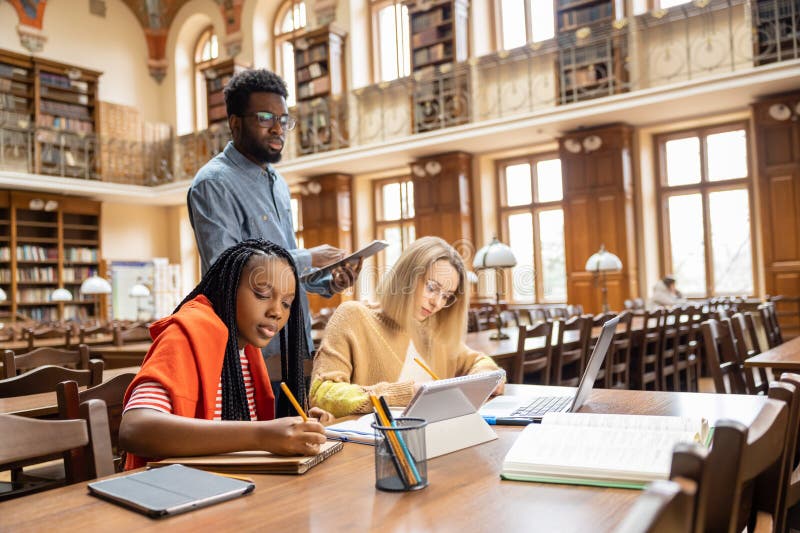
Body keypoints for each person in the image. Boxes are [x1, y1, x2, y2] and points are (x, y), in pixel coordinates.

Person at [186, 68, 358, 363]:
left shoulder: (278, 183)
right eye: (265, 118)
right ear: (235, 123)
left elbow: (283, 274)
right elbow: (227, 270)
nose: (278, 129)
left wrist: (329, 280)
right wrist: (307, 257)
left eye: (283, 120)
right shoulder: (213, 184)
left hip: (296, 342)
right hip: (252, 354)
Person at [119, 240, 334, 470]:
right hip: (173, 492)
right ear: (227, 287)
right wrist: (262, 435)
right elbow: (135, 429)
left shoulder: (245, 349)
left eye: (286, 303)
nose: (276, 312)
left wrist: (299, 429)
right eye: (262, 294)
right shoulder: (184, 335)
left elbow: (239, 431)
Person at [309, 236, 504, 418]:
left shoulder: (432, 328)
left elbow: (479, 362)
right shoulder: (354, 315)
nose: (437, 303)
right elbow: (322, 394)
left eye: (446, 296)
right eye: (432, 287)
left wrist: (488, 378)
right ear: (406, 278)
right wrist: (406, 394)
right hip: (373, 448)